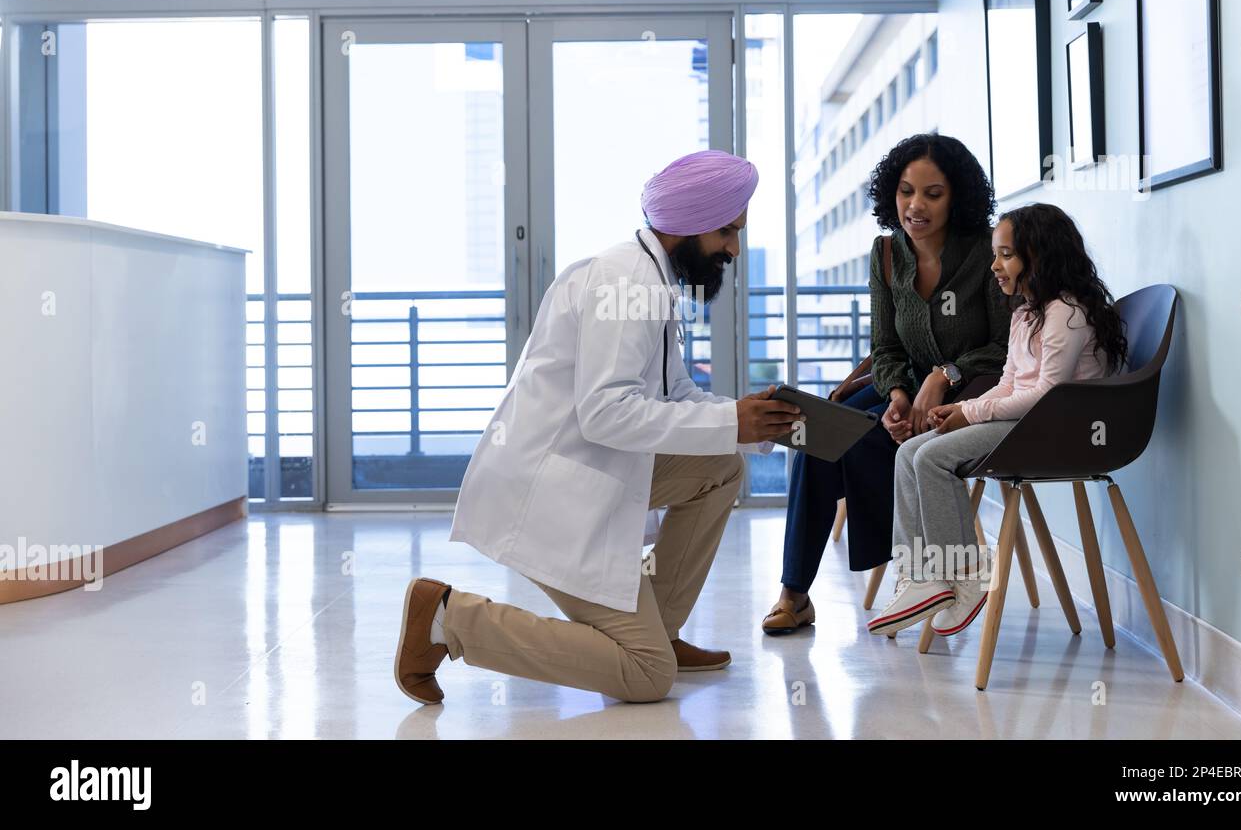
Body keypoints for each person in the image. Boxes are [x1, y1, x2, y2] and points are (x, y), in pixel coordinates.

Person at [394, 150, 803, 704]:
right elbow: (607, 412)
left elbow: (673, 392)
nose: (733, 248)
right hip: (550, 497)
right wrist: (730, 420)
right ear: (690, 224)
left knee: (720, 465)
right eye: (728, 231)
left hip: (590, 473)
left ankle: (662, 627)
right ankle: (447, 619)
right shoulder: (626, 283)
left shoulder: (651, 279)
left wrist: (748, 424)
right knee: (645, 674)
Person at [764, 134, 1010, 634]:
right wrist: (898, 393)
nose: (915, 206)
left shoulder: (989, 252)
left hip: (973, 389)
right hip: (907, 383)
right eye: (905, 191)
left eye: (932, 194)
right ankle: (795, 592)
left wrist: (944, 376)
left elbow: (1007, 345)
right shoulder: (885, 255)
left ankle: (916, 575)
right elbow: (886, 345)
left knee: (866, 443)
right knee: (815, 438)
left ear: (957, 197)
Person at [869, 202, 1129, 637]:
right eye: (996, 254)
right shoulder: (1026, 313)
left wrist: (971, 411)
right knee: (909, 451)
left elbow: (1047, 394)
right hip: (1028, 423)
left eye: (1006, 254)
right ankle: (919, 573)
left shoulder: (1067, 312)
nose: (995, 266)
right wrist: (962, 413)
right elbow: (1010, 382)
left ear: (1039, 255)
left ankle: (966, 575)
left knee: (932, 458)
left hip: (1057, 430)